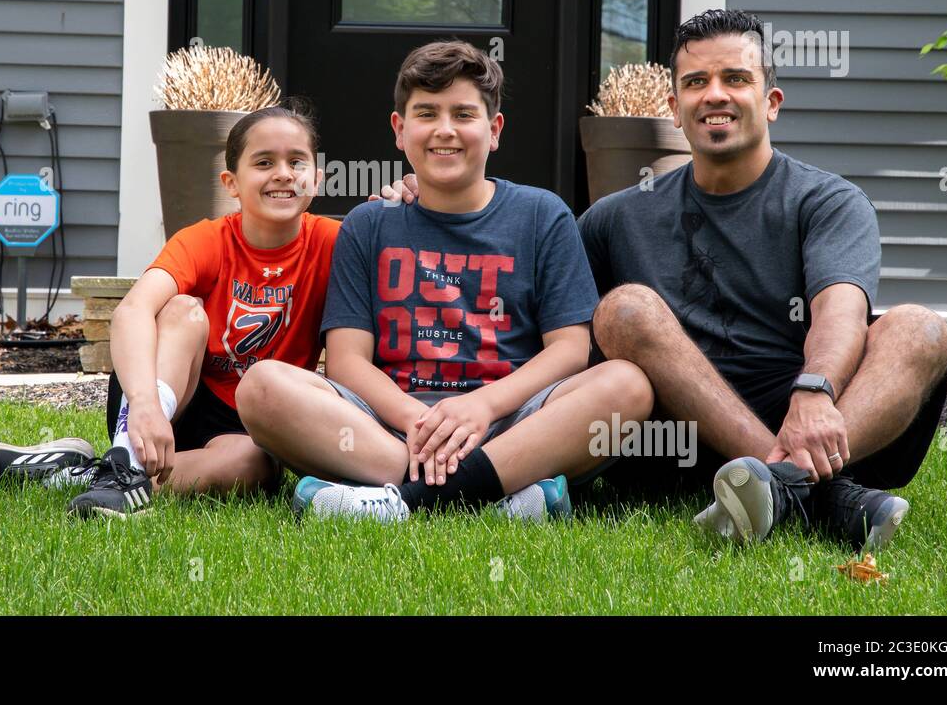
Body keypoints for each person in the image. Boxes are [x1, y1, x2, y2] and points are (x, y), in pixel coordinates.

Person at [575, 9, 947, 550]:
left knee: (922, 327)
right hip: (676, 438)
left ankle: (775, 486)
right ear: (674, 110)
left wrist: (815, 390)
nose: (714, 95)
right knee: (625, 308)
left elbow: (840, 311)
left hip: (824, 421)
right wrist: (422, 203)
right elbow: (540, 297)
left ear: (771, 103)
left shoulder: (827, 201)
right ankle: (818, 495)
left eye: (735, 78)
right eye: (695, 83)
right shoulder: (617, 216)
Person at [234, 41, 652, 523]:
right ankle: (496, 496)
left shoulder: (541, 215)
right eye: (427, 113)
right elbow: (348, 362)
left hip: (512, 423)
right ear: (399, 129)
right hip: (390, 428)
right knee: (261, 386)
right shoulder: (369, 225)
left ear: (494, 130)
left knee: (627, 386)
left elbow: (570, 350)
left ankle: (401, 503)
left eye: (464, 114)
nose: (445, 130)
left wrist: (480, 407)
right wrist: (419, 420)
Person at [0, 103, 341, 519]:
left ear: (316, 178)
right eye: (264, 162)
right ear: (231, 182)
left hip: (248, 422)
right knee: (184, 311)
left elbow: (399, 243)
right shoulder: (206, 240)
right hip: (166, 396)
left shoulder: (336, 242)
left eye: (296, 161)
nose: (282, 173)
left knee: (255, 466)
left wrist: (402, 198)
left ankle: (92, 476)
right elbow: (133, 311)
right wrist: (146, 403)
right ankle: (128, 459)